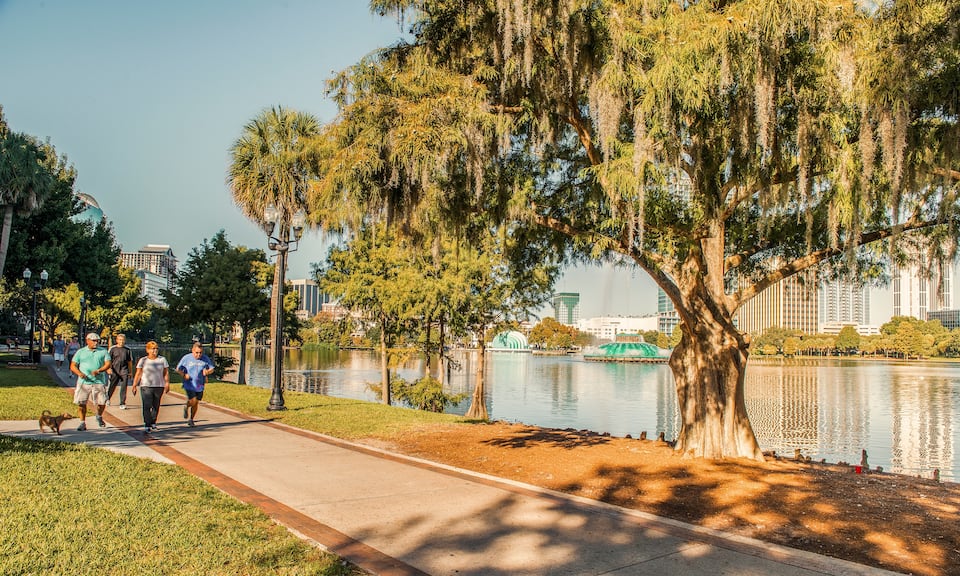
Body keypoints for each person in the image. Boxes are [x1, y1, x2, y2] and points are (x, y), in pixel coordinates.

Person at [70, 332, 111, 431]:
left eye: (97, 341)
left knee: (102, 402)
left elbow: (108, 364)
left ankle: (99, 416)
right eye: (93, 341)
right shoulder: (81, 352)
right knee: (81, 403)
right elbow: (73, 365)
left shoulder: (103, 351)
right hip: (84, 382)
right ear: (87, 341)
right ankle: (82, 422)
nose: (96, 343)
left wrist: (99, 370)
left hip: (99, 381)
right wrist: (79, 373)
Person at [131, 340, 169, 434]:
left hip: (158, 385)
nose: (155, 351)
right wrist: (134, 384)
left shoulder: (162, 360)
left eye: (156, 349)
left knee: (156, 405)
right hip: (146, 386)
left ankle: (153, 422)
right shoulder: (143, 360)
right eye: (152, 349)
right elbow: (138, 373)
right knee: (147, 405)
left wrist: (167, 383)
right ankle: (147, 424)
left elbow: (165, 372)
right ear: (147, 350)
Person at [176, 342, 214, 427]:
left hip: (200, 384)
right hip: (189, 383)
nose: (198, 355)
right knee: (193, 400)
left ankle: (191, 419)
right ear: (192, 351)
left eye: (200, 352)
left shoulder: (205, 358)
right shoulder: (186, 358)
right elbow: (178, 369)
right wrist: (184, 375)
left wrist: (207, 372)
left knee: (196, 402)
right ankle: (187, 405)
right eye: (196, 352)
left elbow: (212, 368)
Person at [106, 333, 135, 409]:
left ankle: (122, 403)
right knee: (112, 385)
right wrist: (108, 368)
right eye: (120, 340)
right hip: (114, 370)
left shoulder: (127, 350)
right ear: (117, 340)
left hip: (124, 370)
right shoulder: (112, 349)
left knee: (123, 387)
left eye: (123, 340)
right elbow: (108, 360)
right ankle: (108, 398)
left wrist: (130, 372)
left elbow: (129, 362)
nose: (121, 341)